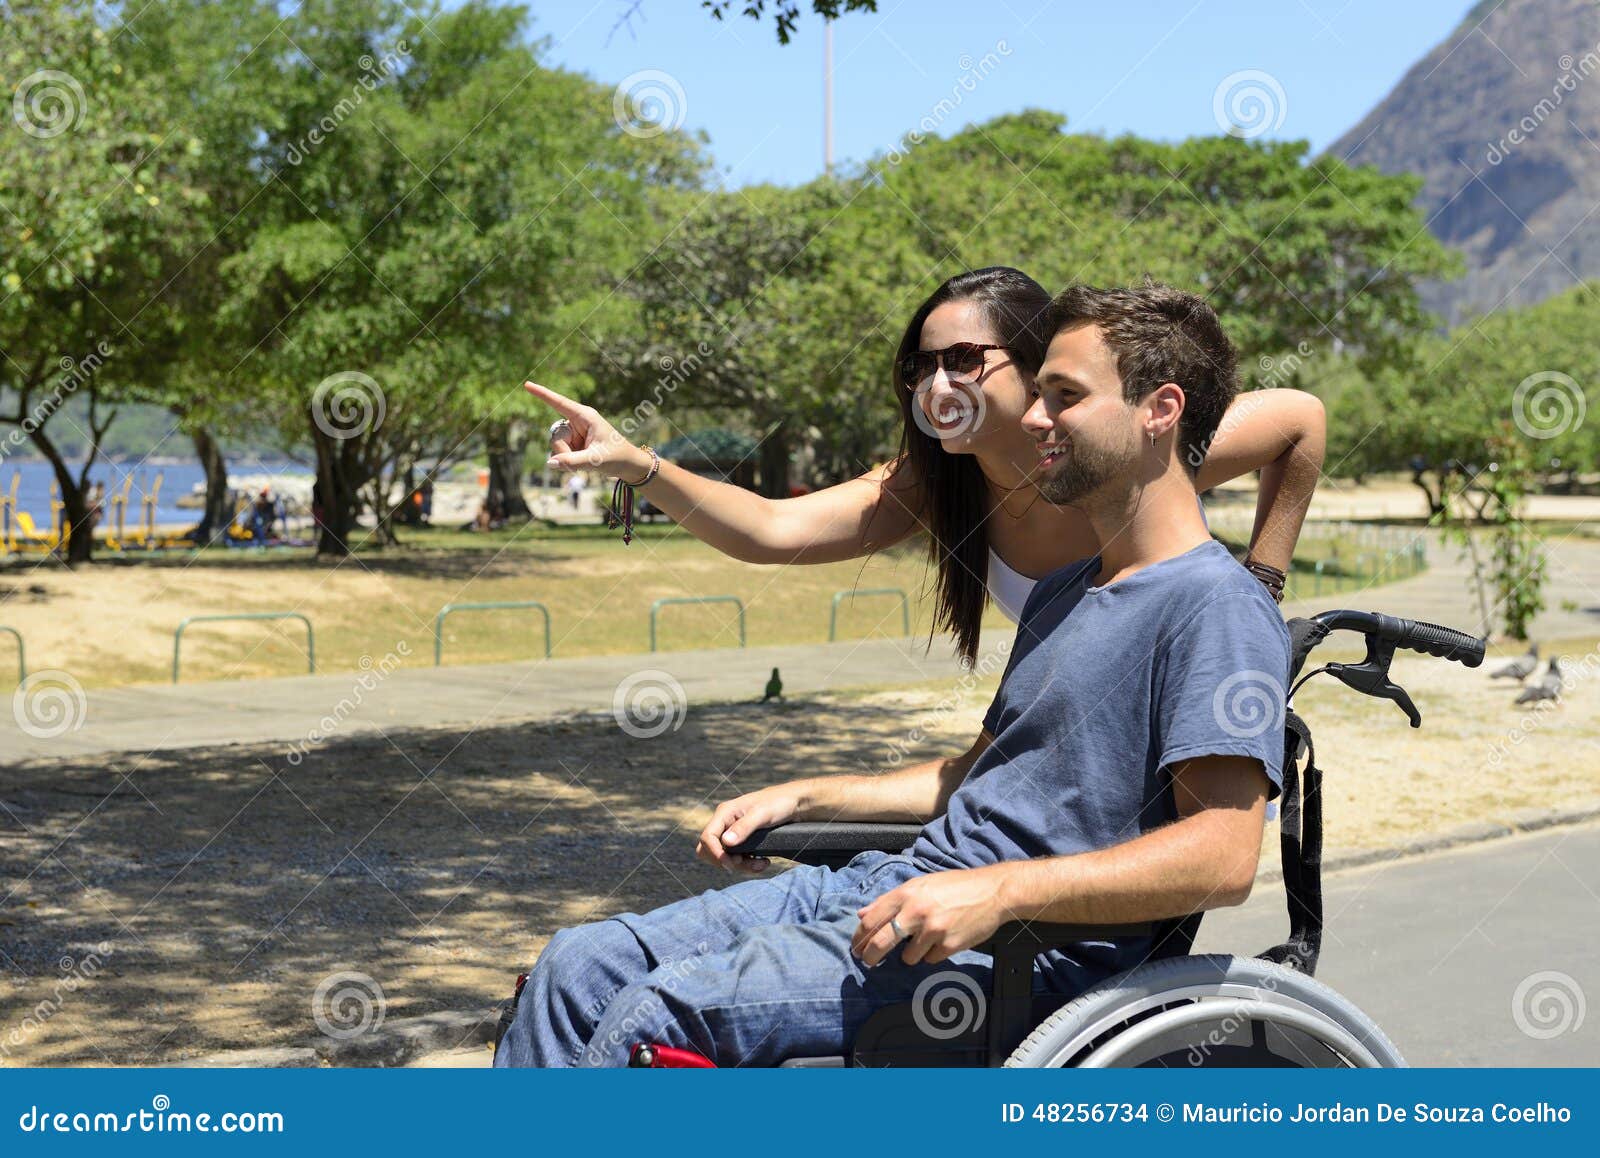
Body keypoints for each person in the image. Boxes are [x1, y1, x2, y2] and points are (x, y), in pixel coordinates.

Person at [494, 280, 1292, 1068]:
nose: (1038, 419)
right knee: (575, 968)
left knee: (653, 1014)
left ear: (1161, 410)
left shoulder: (1214, 608)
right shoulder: (1066, 592)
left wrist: (1001, 892)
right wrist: (811, 793)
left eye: (1064, 396)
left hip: (1018, 952)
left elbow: (1221, 858)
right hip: (901, 884)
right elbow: (976, 778)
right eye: (1039, 392)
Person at [527, 267, 1323, 665]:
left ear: (1035, 359)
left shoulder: (1128, 447)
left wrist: (1263, 590)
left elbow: (1301, 422)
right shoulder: (930, 488)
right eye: (920, 365)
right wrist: (638, 464)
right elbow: (771, 527)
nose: (936, 386)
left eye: (965, 360)